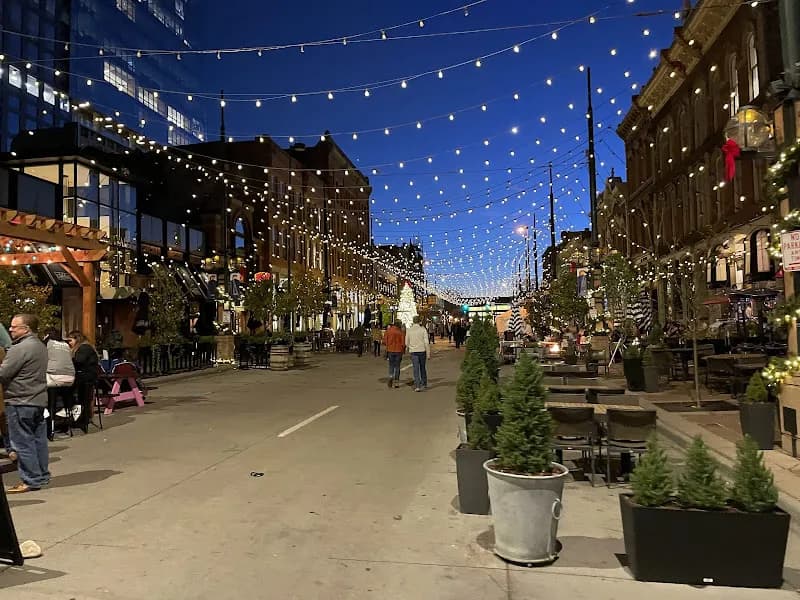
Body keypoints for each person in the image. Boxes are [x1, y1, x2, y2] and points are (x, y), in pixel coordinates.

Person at [0, 314, 50, 493]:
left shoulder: (20, 348)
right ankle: (41, 476)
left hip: (20, 400)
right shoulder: (40, 346)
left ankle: (31, 480)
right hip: (37, 399)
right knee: (38, 441)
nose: (10, 329)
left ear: (26, 329)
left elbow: (3, 373)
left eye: (14, 326)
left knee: (22, 443)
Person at [44, 329, 75, 440]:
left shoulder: (47, 343)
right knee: (65, 400)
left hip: (54, 378)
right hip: (70, 378)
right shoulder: (66, 345)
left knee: (49, 402)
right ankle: (69, 426)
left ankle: (50, 429)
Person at [66, 330, 98, 433]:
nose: (69, 343)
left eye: (70, 340)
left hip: (86, 377)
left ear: (77, 339)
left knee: (68, 390)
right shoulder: (85, 347)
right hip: (87, 376)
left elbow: (79, 361)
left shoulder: (84, 348)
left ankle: (77, 417)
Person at [405, 316, 431, 392]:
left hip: (413, 351)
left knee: (416, 369)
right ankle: (424, 383)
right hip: (422, 350)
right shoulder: (423, 330)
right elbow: (426, 342)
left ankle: (417, 386)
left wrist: (409, 347)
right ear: (419, 321)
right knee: (422, 367)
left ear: (413, 321)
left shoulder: (409, 330)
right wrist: (428, 353)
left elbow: (406, 342)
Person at [384, 321, 405, 388]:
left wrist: (387, 347)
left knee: (391, 365)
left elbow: (385, 341)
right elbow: (403, 343)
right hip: (398, 350)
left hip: (390, 350)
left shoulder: (388, 331)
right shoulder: (400, 332)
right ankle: (396, 382)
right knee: (397, 366)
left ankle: (391, 376)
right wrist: (403, 350)